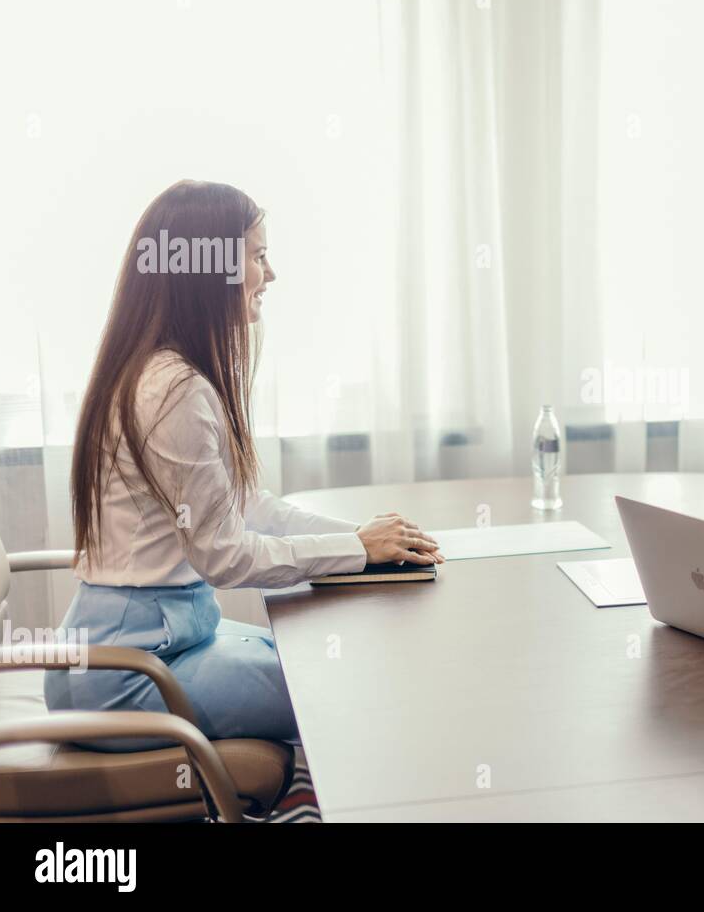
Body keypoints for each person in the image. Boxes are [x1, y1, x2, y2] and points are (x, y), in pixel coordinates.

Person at [48, 180, 443, 751]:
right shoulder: (172, 390)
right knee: (335, 686)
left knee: (322, 658)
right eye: (259, 256)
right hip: (126, 674)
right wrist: (357, 549)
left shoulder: (171, 374)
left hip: (164, 643)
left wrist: (363, 540)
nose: (270, 274)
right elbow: (225, 554)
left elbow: (245, 505)